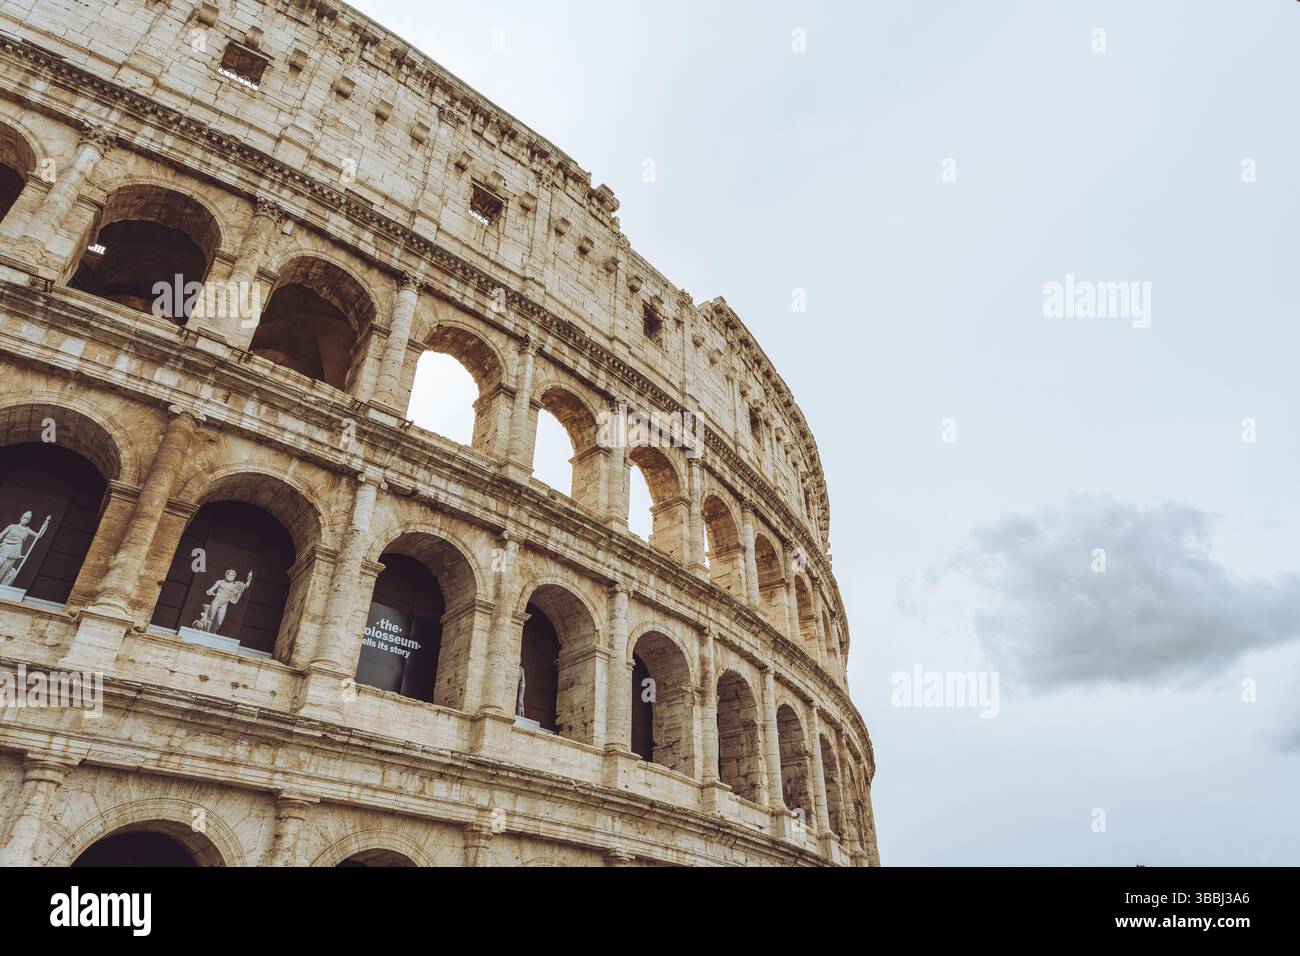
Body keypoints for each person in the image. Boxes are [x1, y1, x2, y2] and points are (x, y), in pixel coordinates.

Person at [193, 569, 253, 635]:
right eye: (228, 574)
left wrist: (249, 578)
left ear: (234, 577)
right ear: (226, 574)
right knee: (211, 618)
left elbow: (246, 586)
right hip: (216, 600)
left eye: (231, 575)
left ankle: (213, 633)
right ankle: (207, 633)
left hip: (225, 604)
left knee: (219, 623)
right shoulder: (220, 582)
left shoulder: (235, 585)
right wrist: (210, 591)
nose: (229, 576)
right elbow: (211, 589)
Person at [0, 510, 50, 587]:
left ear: (29, 521)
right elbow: (1, 535)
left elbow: (38, 535)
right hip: (5, 547)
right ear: (21, 517)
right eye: (24, 517)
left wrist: (46, 523)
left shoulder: (27, 530)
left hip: (15, 550)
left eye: (27, 518)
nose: (25, 519)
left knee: (5, 569)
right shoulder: (12, 526)